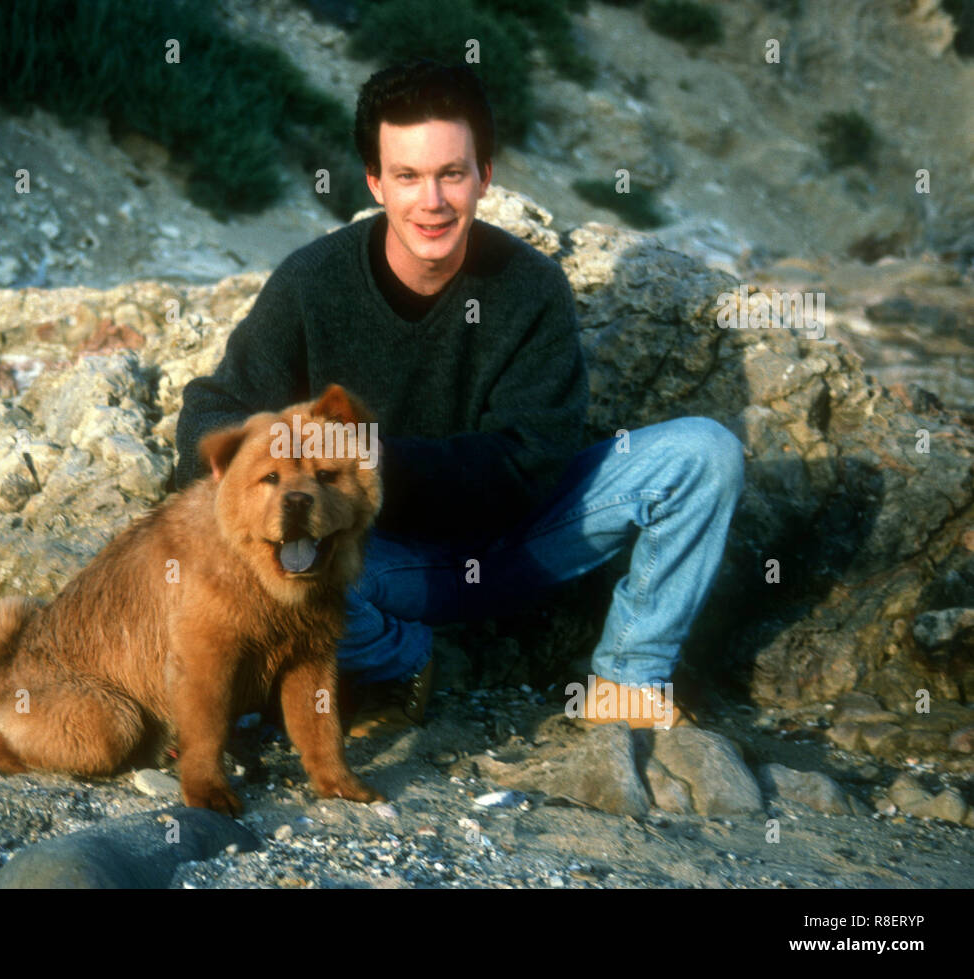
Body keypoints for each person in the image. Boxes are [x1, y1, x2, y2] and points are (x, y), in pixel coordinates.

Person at [175, 58, 744, 734]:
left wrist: (369, 459)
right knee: (244, 565)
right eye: (409, 176)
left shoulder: (530, 287)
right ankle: (403, 659)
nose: (432, 200)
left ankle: (628, 681)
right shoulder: (312, 282)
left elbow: (529, 461)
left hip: (525, 543)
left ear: (485, 177)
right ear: (375, 183)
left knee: (705, 453)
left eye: (451, 173)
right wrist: (254, 465)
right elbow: (211, 411)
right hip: (371, 564)